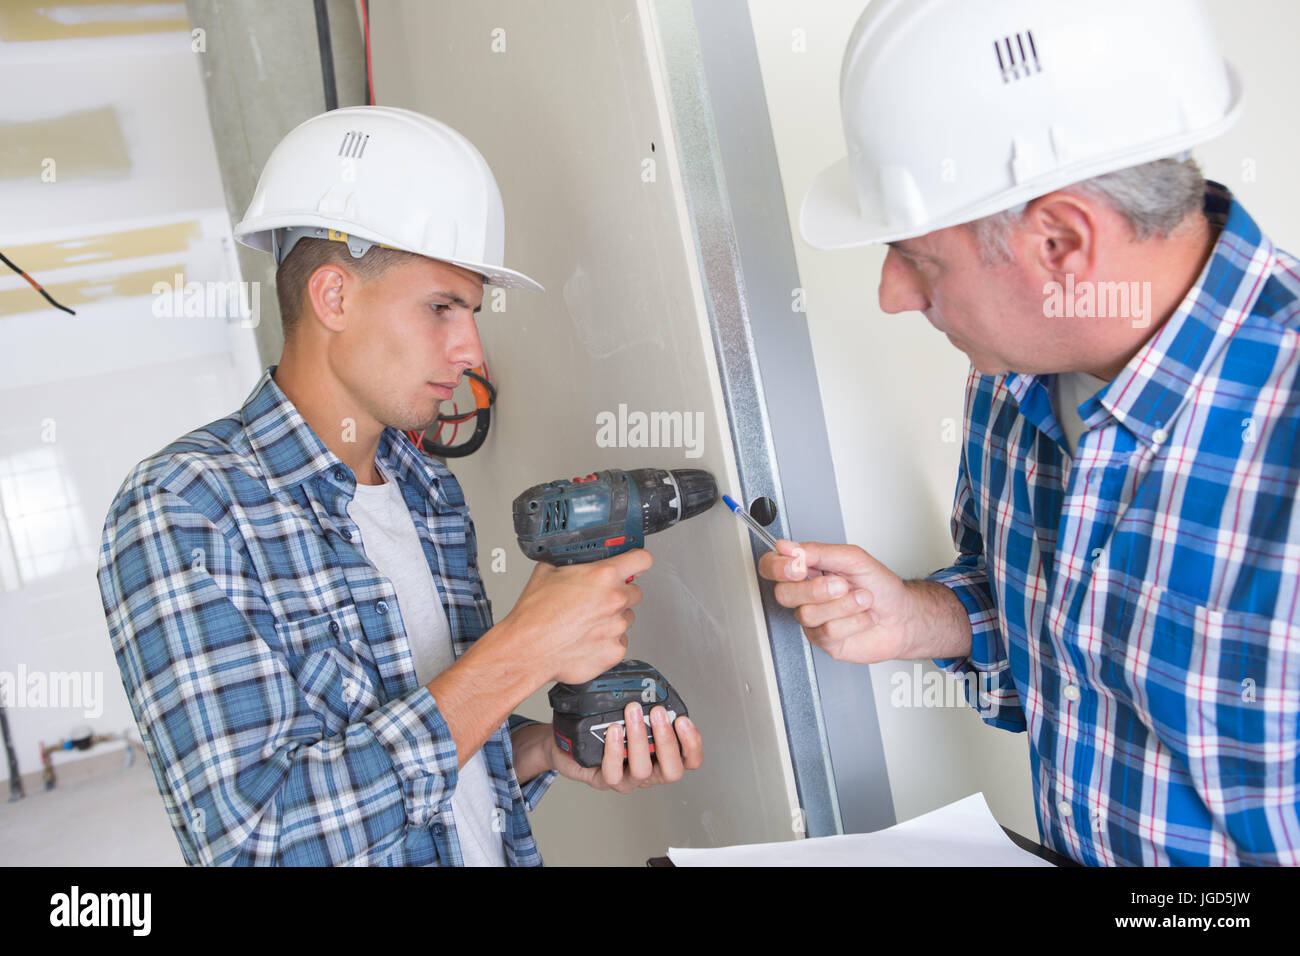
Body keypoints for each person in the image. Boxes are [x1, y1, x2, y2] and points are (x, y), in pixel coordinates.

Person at [760, 0, 1298, 865]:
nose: (892, 295)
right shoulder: (1011, 378)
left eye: (919, 260)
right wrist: (926, 618)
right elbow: (1068, 643)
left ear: (1060, 242)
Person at [96, 105, 702, 866]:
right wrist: (525, 649)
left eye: (472, 312)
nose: (471, 348)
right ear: (334, 297)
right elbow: (256, 845)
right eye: (441, 307)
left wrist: (544, 749)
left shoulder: (426, 490)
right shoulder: (185, 509)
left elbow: (433, 760)